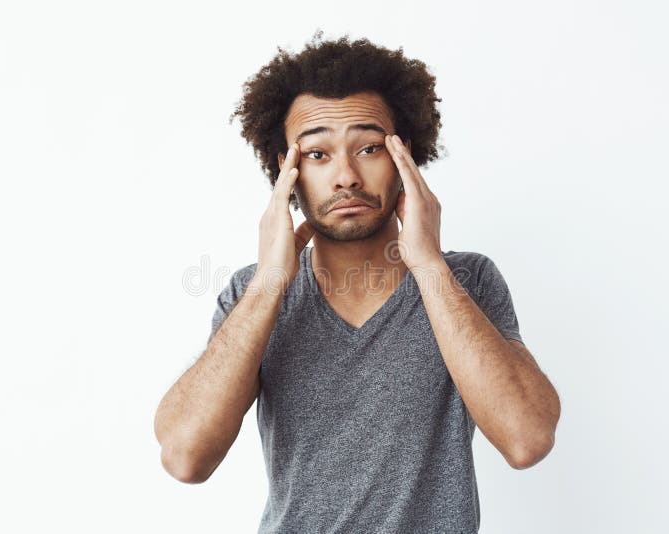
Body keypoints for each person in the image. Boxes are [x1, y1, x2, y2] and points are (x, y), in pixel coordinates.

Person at [154, 31, 561, 533]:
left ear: (403, 158)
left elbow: (528, 440)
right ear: (286, 170)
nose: (345, 176)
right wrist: (270, 283)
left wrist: (429, 265)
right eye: (318, 155)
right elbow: (184, 458)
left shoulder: (466, 281)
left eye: (368, 148)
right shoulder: (251, 294)